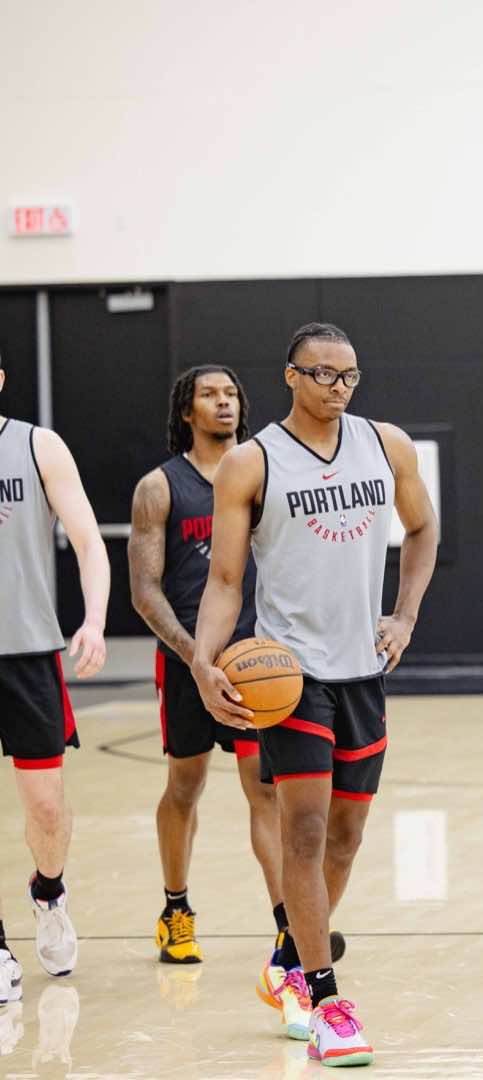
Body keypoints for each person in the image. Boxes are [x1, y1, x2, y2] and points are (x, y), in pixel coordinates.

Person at [191, 323, 439, 1067]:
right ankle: (327, 998)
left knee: (347, 838)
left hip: (364, 668)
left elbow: (422, 530)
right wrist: (206, 664)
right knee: (302, 831)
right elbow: (225, 582)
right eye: (324, 375)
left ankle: (292, 963)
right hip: (290, 678)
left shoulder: (384, 443)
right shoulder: (250, 463)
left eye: (349, 376)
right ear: (291, 377)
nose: (338, 387)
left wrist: (405, 613)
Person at [130, 366, 286, 965]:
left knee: (264, 791)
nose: (223, 404)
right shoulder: (160, 487)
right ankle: (176, 908)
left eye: (231, 395)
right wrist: (194, 656)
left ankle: (285, 926)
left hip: (254, 662)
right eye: (209, 395)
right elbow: (145, 591)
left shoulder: (262, 477)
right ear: (186, 411)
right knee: (185, 786)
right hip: (187, 663)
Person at [0, 351, 109, 1001]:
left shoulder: (38, 447)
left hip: (29, 653)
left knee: (44, 804)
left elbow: (91, 542)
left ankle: (49, 893)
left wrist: (94, 618)